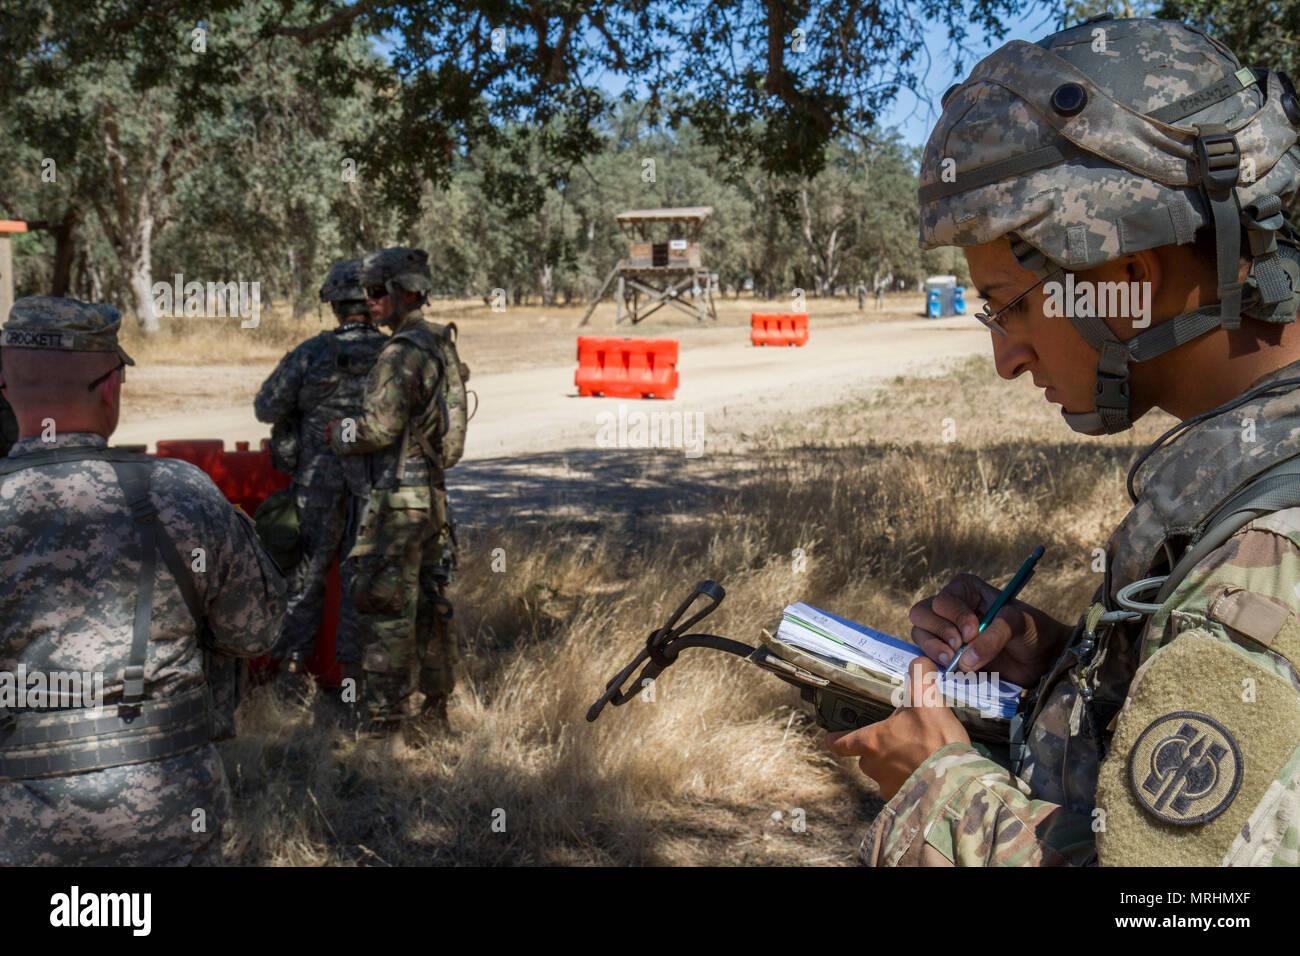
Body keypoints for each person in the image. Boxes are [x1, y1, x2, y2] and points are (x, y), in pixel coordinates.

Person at [827, 15, 1300, 866]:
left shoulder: (1269, 559)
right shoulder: (1252, 477)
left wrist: (935, 782)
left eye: (1010, 306)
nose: (1007, 358)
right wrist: (1064, 672)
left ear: (1123, 281)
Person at [0, 296, 284, 864]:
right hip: (170, 806)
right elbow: (257, 632)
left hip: (20, 816)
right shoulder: (182, 493)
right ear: (111, 388)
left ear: (6, 391)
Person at [329, 247, 465, 738]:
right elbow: (451, 443)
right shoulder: (439, 343)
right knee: (432, 604)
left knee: (385, 607)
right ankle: (435, 711)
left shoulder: (400, 352)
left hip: (397, 500)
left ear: (405, 291)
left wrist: (339, 432)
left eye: (377, 292)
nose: (369, 303)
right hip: (431, 498)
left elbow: (378, 430)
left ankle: (384, 725)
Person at [254, 259, 388, 687]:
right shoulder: (394, 354)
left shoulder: (312, 353)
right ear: (372, 302)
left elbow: (266, 407)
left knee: (305, 582)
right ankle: (355, 682)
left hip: (317, 487)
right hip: (374, 487)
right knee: (360, 584)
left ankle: (290, 679)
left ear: (332, 304)